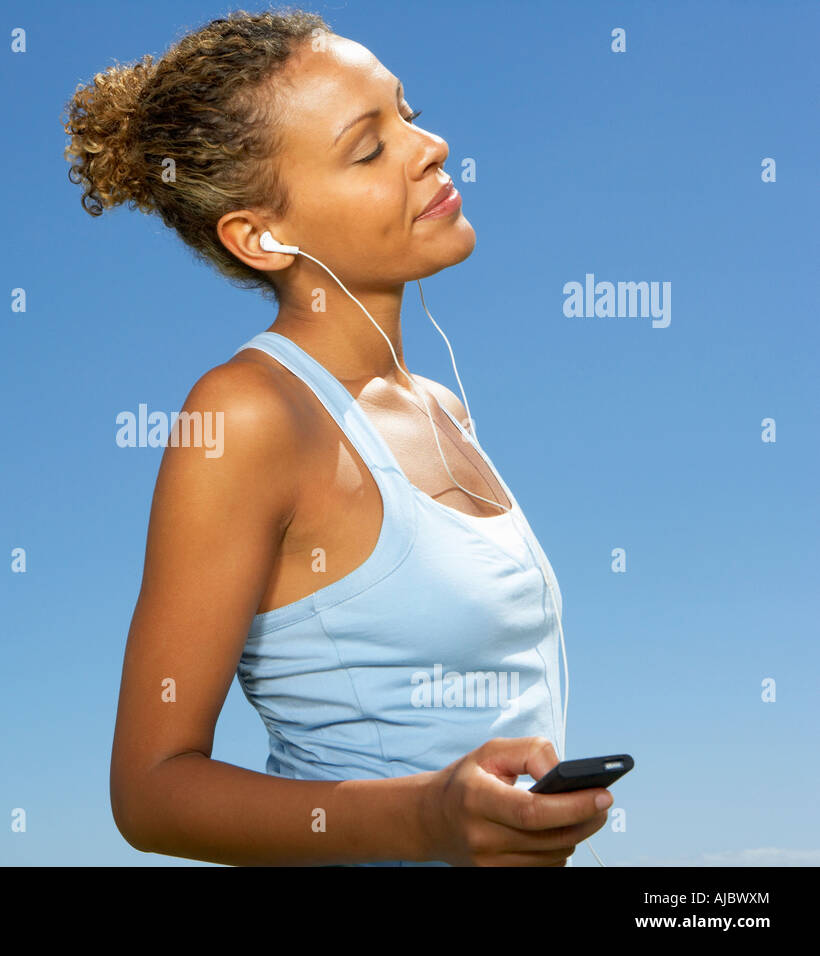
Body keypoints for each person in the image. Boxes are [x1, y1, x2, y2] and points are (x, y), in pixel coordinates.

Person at [63, 9, 611, 866]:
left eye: (408, 111)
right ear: (260, 236)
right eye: (368, 148)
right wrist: (428, 817)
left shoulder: (440, 408)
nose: (430, 146)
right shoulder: (247, 416)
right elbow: (149, 789)